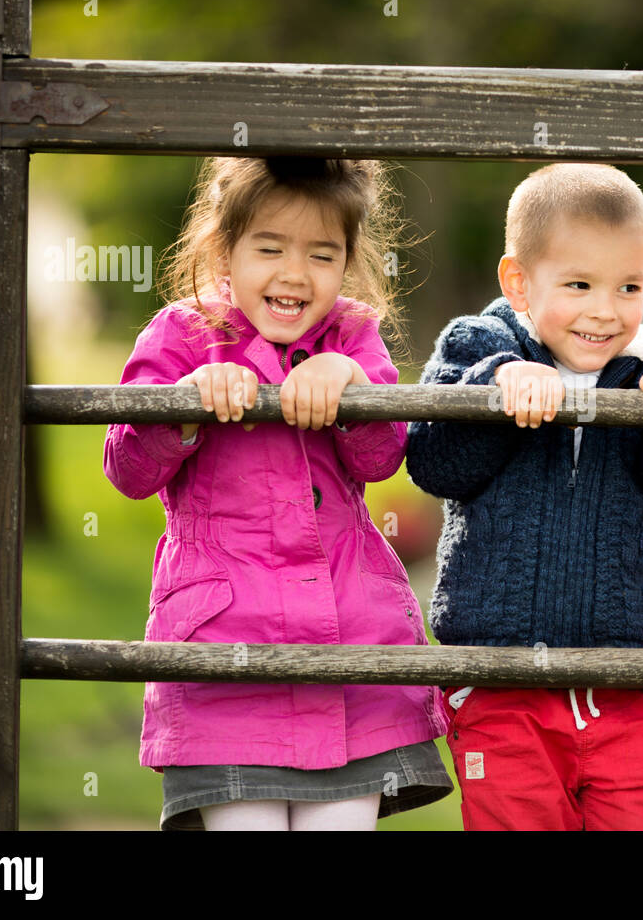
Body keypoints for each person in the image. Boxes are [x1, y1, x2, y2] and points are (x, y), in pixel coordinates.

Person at [103, 156, 451, 831]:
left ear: (347, 262)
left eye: (322, 255)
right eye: (270, 248)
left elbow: (382, 458)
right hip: (225, 656)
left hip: (350, 655)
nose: (295, 274)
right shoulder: (183, 335)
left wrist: (350, 384)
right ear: (224, 250)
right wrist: (182, 409)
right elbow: (127, 470)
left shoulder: (351, 335)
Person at [406, 163, 643, 830]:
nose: (605, 310)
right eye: (578, 284)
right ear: (519, 283)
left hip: (632, 678)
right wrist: (497, 388)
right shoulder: (477, 347)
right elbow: (436, 465)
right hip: (502, 680)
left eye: (628, 286)